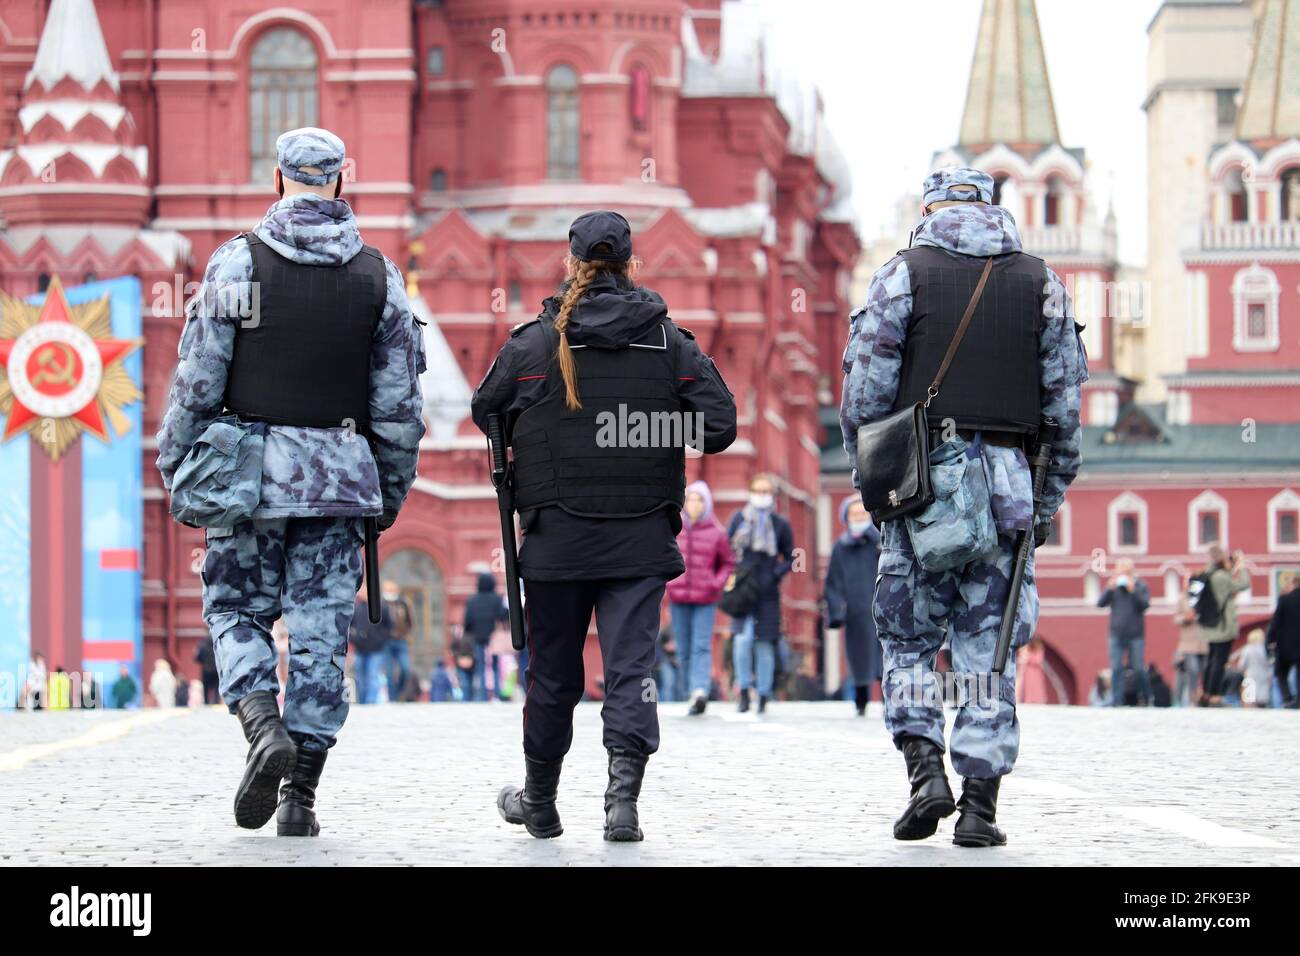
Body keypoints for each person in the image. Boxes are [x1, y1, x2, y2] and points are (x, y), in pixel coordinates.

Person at [155, 127, 426, 836]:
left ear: (278, 180)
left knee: (235, 611)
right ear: (342, 181)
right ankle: (299, 798)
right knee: (318, 636)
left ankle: (260, 727)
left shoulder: (236, 264)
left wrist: (175, 460)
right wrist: (387, 490)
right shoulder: (379, 278)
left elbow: (196, 380)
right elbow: (399, 407)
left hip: (246, 478)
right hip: (339, 481)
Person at [840, 166, 1086, 848]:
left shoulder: (900, 275)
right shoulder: (1043, 283)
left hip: (919, 487)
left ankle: (925, 772)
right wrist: (1045, 501)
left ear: (929, 207)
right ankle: (980, 807)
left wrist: (876, 478)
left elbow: (865, 393)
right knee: (990, 649)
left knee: (910, 636)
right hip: (1008, 487)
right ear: (993, 208)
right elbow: (1064, 411)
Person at [472, 210, 736, 842]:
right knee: (631, 670)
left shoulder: (535, 342)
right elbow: (719, 426)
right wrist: (650, 431)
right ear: (630, 263)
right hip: (641, 538)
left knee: (553, 674)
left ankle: (540, 802)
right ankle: (623, 805)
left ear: (571, 262)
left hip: (556, 538)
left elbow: (487, 411)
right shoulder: (668, 341)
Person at [727, 473, 796, 715]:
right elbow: (727, 550)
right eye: (758, 490)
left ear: (773, 495)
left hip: (768, 592)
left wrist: (774, 575)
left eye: (766, 491)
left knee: (765, 643)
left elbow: (791, 557)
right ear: (750, 492)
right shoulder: (738, 519)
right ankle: (744, 691)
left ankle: (764, 693)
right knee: (742, 640)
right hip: (743, 591)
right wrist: (733, 576)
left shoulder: (780, 524)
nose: (762, 495)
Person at [666, 480, 734, 715]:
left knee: (701, 646)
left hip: (706, 599)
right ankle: (689, 692)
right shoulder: (675, 528)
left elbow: (727, 563)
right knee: (683, 647)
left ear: (707, 504)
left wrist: (716, 583)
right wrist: (669, 582)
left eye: (699, 500)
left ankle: (700, 690)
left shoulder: (717, 532)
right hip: (678, 597)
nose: (694, 505)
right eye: (691, 499)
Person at [824, 496, 883, 715]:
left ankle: (889, 699)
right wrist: (836, 611)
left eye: (862, 514)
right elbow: (833, 581)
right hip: (855, 611)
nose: (859, 518)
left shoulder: (880, 541)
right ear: (846, 519)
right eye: (854, 515)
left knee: (885, 656)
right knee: (858, 657)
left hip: (881, 607)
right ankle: (861, 699)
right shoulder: (841, 547)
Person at [1197, 546, 1251, 706]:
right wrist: (1242, 567)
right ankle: (1214, 695)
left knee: (1211, 660)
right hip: (1223, 625)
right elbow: (1243, 585)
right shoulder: (1221, 576)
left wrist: (1232, 566)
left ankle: (1206, 693)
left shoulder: (1210, 573)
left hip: (1211, 624)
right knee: (1219, 661)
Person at [1098, 559, 1151, 706]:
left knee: (1138, 668)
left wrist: (1133, 590)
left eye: (1125, 571)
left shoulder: (1140, 585)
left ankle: (1146, 697)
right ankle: (1117, 700)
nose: (1122, 574)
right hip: (1116, 633)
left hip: (1136, 634)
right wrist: (1109, 588)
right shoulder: (1114, 587)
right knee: (1116, 668)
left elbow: (1145, 605)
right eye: (1120, 570)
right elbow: (1100, 603)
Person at [463, 572, 508, 702]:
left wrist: (470, 630)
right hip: (494, 637)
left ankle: (483, 696)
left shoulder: (472, 600)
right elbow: (503, 615)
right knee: (495, 665)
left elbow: (468, 619)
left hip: (478, 636)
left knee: (481, 666)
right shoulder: (497, 599)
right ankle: (497, 694)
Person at [348, 588, 391, 704]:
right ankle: (362, 701)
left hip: (376, 649)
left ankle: (370, 702)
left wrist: (381, 639)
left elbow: (389, 626)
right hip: (360, 649)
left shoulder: (381, 606)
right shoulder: (356, 608)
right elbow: (348, 627)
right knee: (360, 677)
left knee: (372, 675)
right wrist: (354, 638)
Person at [1266, 575, 1300, 708]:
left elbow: (1276, 622)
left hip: (1286, 644)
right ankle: (1298, 701)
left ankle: (1287, 698)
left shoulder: (1284, 600)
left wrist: (1270, 639)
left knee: (1281, 672)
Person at [1171, 581, 1207, 707]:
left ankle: (1203, 698)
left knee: (1205, 671)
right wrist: (1186, 617)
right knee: (1193, 670)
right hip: (1188, 643)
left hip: (1203, 642)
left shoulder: (1204, 597)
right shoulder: (1182, 599)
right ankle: (1192, 699)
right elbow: (1176, 619)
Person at [382, 581, 414, 702]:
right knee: (389, 672)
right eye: (388, 589)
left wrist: (407, 635)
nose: (390, 592)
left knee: (406, 669)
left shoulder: (403, 603)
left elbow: (410, 621)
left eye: (392, 589)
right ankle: (393, 698)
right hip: (386, 642)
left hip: (401, 641)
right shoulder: (381, 603)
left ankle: (400, 693)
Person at [1231, 629, 1272, 708]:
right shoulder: (1265, 649)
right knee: (1262, 697)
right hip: (1264, 674)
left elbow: (1241, 664)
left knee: (1251, 698)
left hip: (1251, 674)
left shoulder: (1247, 649)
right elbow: (1270, 662)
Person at [1015, 636, 1049, 704]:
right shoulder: (1027, 649)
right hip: (1028, 672)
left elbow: (1038, 660)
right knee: (1028, 687)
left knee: (1035, 687)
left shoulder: (1038, 650)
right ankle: (1028, 699)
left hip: (1035, 672)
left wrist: (1028, 658)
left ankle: (1036, 700)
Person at [194, 636, 219, 705]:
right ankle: (216, 701)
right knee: (216, 686)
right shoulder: (217, 644)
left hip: (206, 669)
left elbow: (197, 658)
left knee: (206, 687)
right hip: (216, 669)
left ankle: (206, 702)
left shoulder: (202, 645)